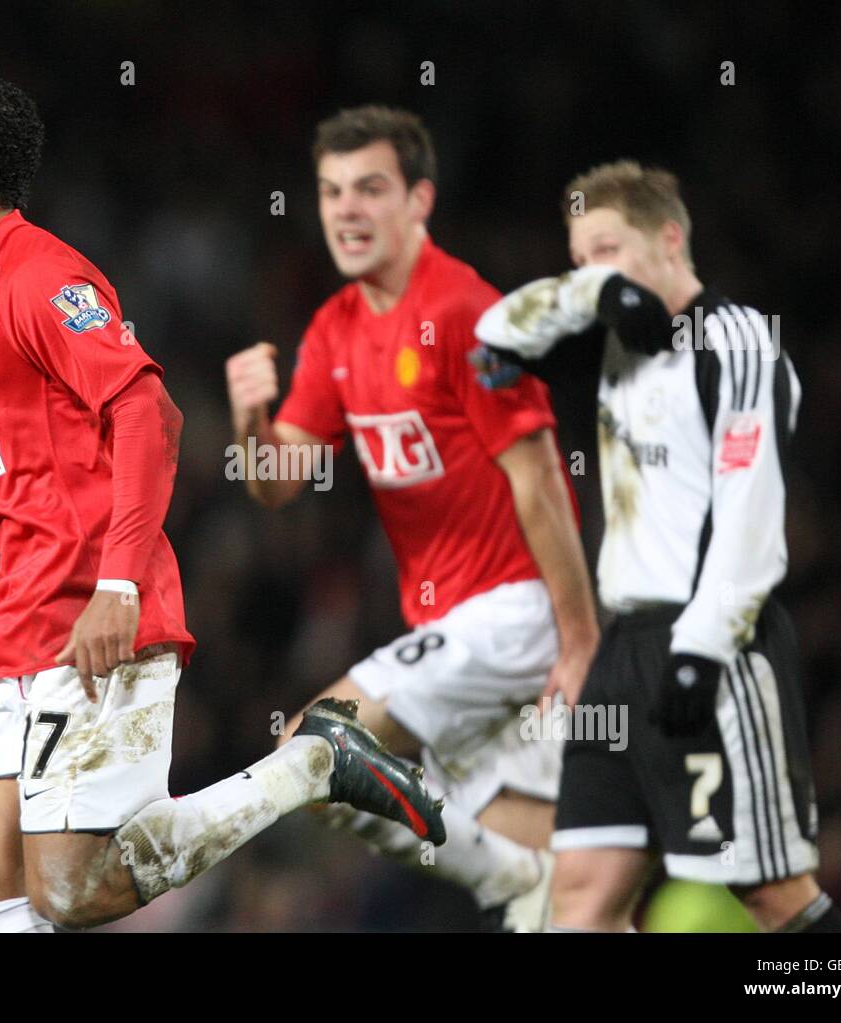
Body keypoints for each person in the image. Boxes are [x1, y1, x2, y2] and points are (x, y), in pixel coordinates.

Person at [0, 69, 445, 932]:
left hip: (96, 614)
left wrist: (119, 587)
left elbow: (148, 412)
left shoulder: (39, 272)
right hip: (22, 615)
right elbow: (37, 502)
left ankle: (313, 763)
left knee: (73, 889)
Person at [226, 106, 599, 931]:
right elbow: (280, 480)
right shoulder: (336, 328)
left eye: (370, 189)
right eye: (330, 192)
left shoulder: (467, 312)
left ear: (419, 200)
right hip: (456, 625)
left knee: (311, 749)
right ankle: (524, 884)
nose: (346, 210)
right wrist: (253, 424)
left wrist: (578, 641)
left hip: (514, 610)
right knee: (568, 903)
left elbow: (539, 480)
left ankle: (509, 879)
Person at [474, 159, 841, 932]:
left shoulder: (736, 340)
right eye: (579, 258)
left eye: (607, 251)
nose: (591, 273)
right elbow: (491, 338)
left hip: (712, 647)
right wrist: (597, 291)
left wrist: (702, 648)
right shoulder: (616, 344)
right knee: (581, 892)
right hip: (622, 651)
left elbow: (752, 511)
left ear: (670, 239)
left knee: (773, 894)